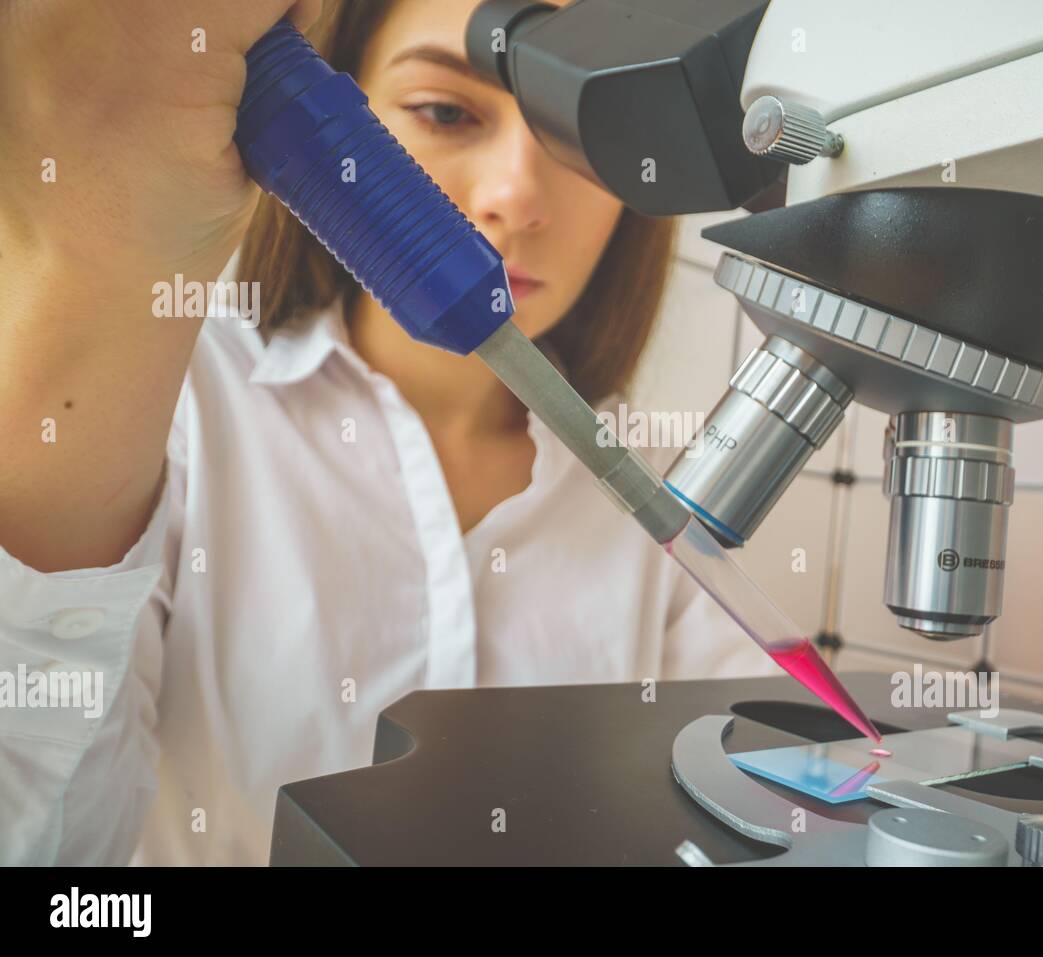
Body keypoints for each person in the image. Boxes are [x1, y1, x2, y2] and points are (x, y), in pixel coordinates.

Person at [0, 0, 770, 865]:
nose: (516, 195)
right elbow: (43, 849)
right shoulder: (178, 413)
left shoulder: (664, 486)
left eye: (578, 135)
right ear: (337, 101)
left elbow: (762, 793)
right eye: (446, 111)